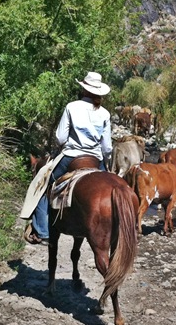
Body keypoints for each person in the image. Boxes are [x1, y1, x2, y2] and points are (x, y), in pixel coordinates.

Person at [25, 72, 113, 244]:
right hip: (95, 159)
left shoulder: (72, 107)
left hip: (71, 157)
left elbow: (60, 138)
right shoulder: (105, 114)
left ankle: (43, 231)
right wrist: (105, 160)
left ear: (84, 89)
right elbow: (107, 147)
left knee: (42, 184)